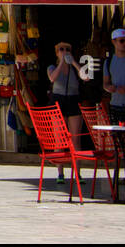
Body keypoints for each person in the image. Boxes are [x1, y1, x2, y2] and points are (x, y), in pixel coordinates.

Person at [47, 41, 84, 183]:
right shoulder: (52, 67)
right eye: (61, 49)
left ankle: (77, 173)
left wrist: (73, 62)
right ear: (57, 52)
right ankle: (60, 173)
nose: (64, 51)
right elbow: (52, 78)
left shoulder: (74, 68)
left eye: (67, 49)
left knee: (76, 138)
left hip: (73, 99)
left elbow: (85, 76)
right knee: (59, 139)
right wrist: (62, 62)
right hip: (58, 100)